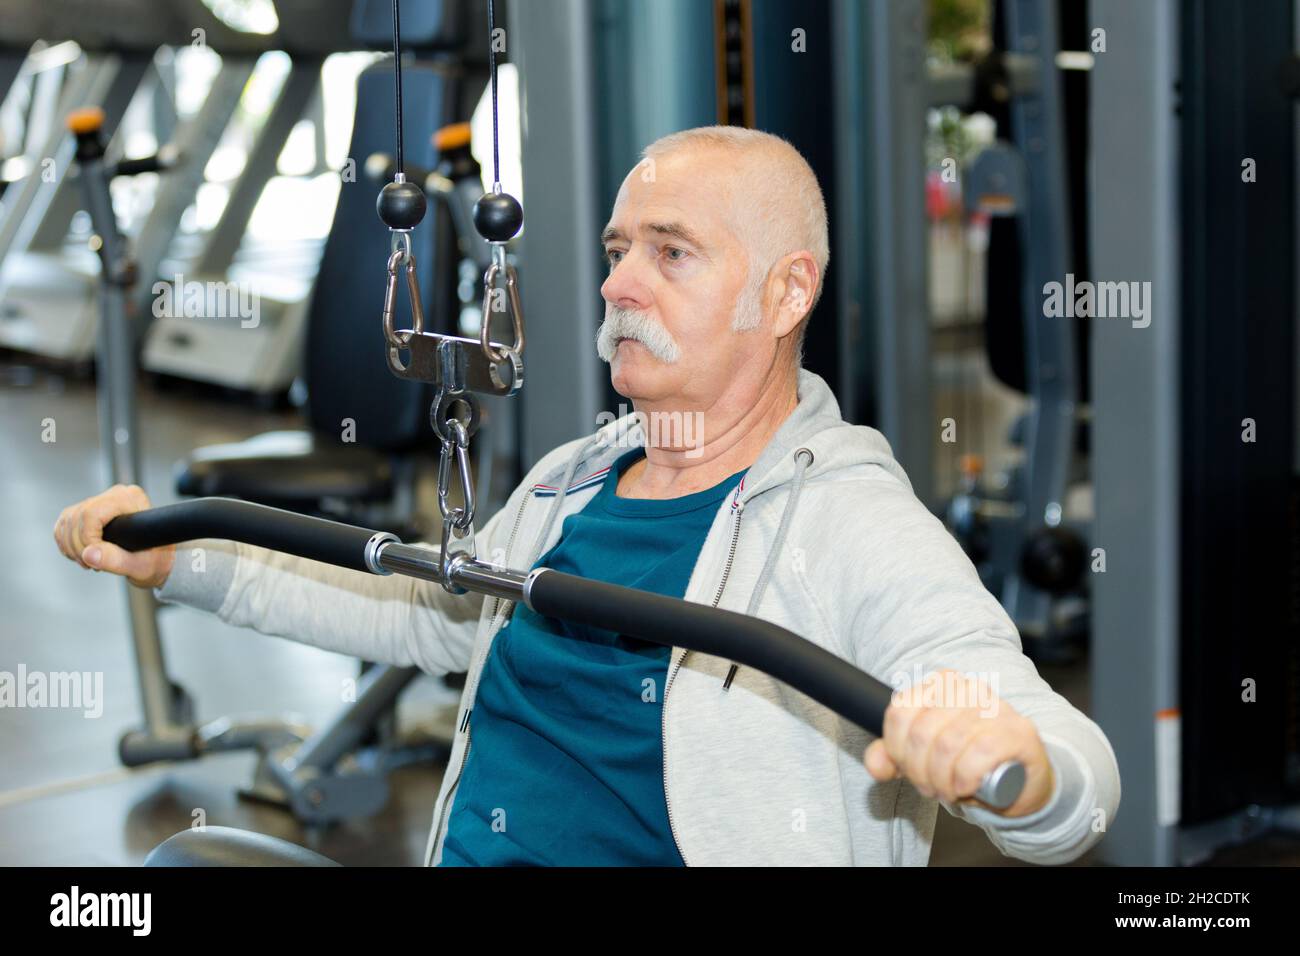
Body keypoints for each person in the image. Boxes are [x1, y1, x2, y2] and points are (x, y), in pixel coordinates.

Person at [54, 125, 1120, 866]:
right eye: (618, 250)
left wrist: (1010, 767)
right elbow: (428, 608)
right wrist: (179, 557)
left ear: (786, 289)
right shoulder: (578, 474)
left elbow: (1061, 768)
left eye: (671, 252)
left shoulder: (846, 520)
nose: (618, 283)